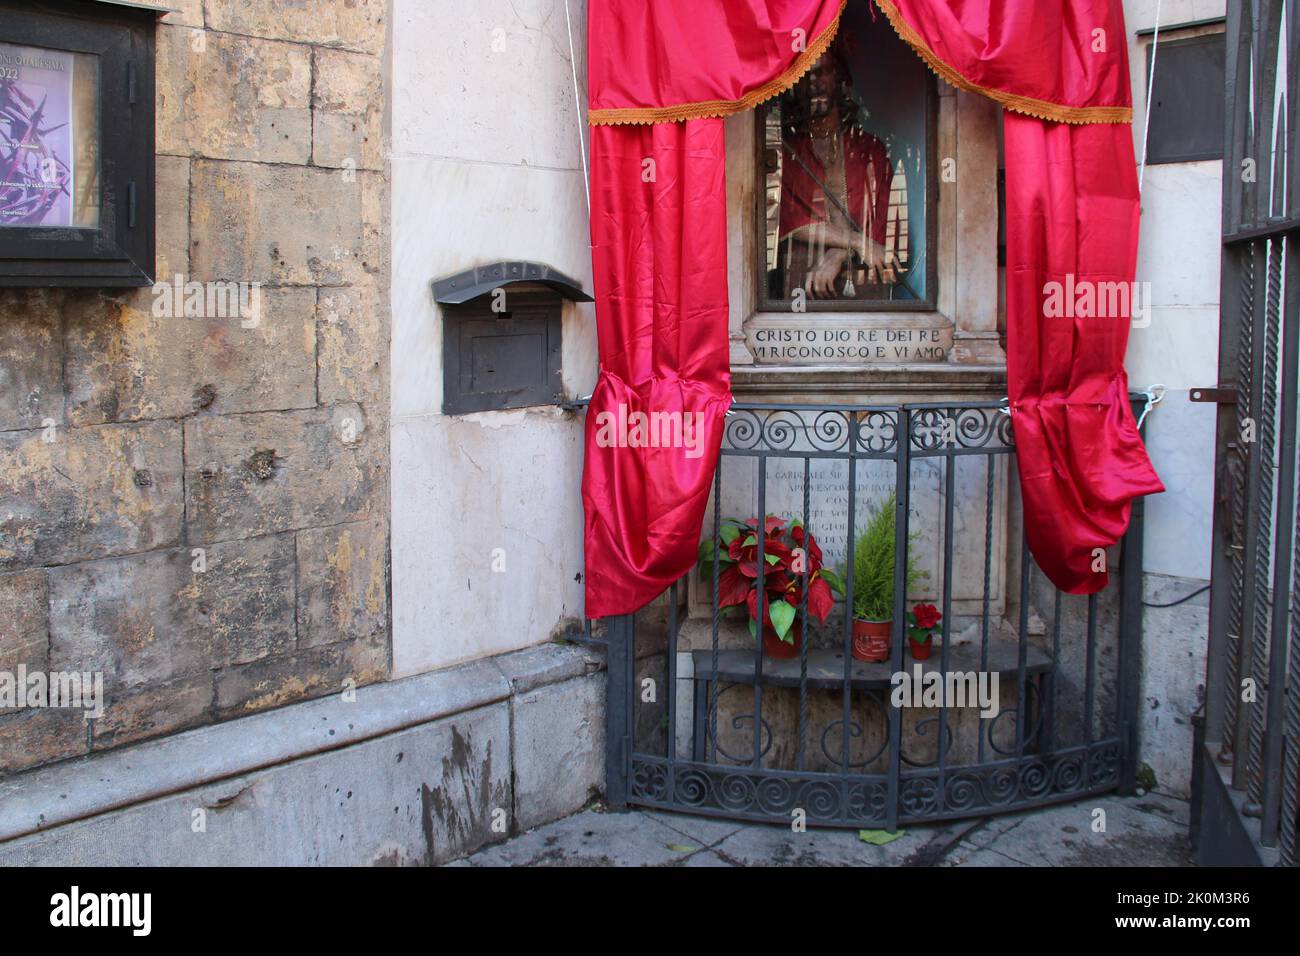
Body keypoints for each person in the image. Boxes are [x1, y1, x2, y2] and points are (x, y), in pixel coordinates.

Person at [775, 43, 904, 300]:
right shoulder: (791, 153)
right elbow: (791, 220)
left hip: (866, 279)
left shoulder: (869, 149)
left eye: (822, 72)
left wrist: (839, 253)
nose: (814, 83)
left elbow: (884, 221)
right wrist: (856, 242)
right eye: (805, 75)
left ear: (839, 79)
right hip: (803, 281)